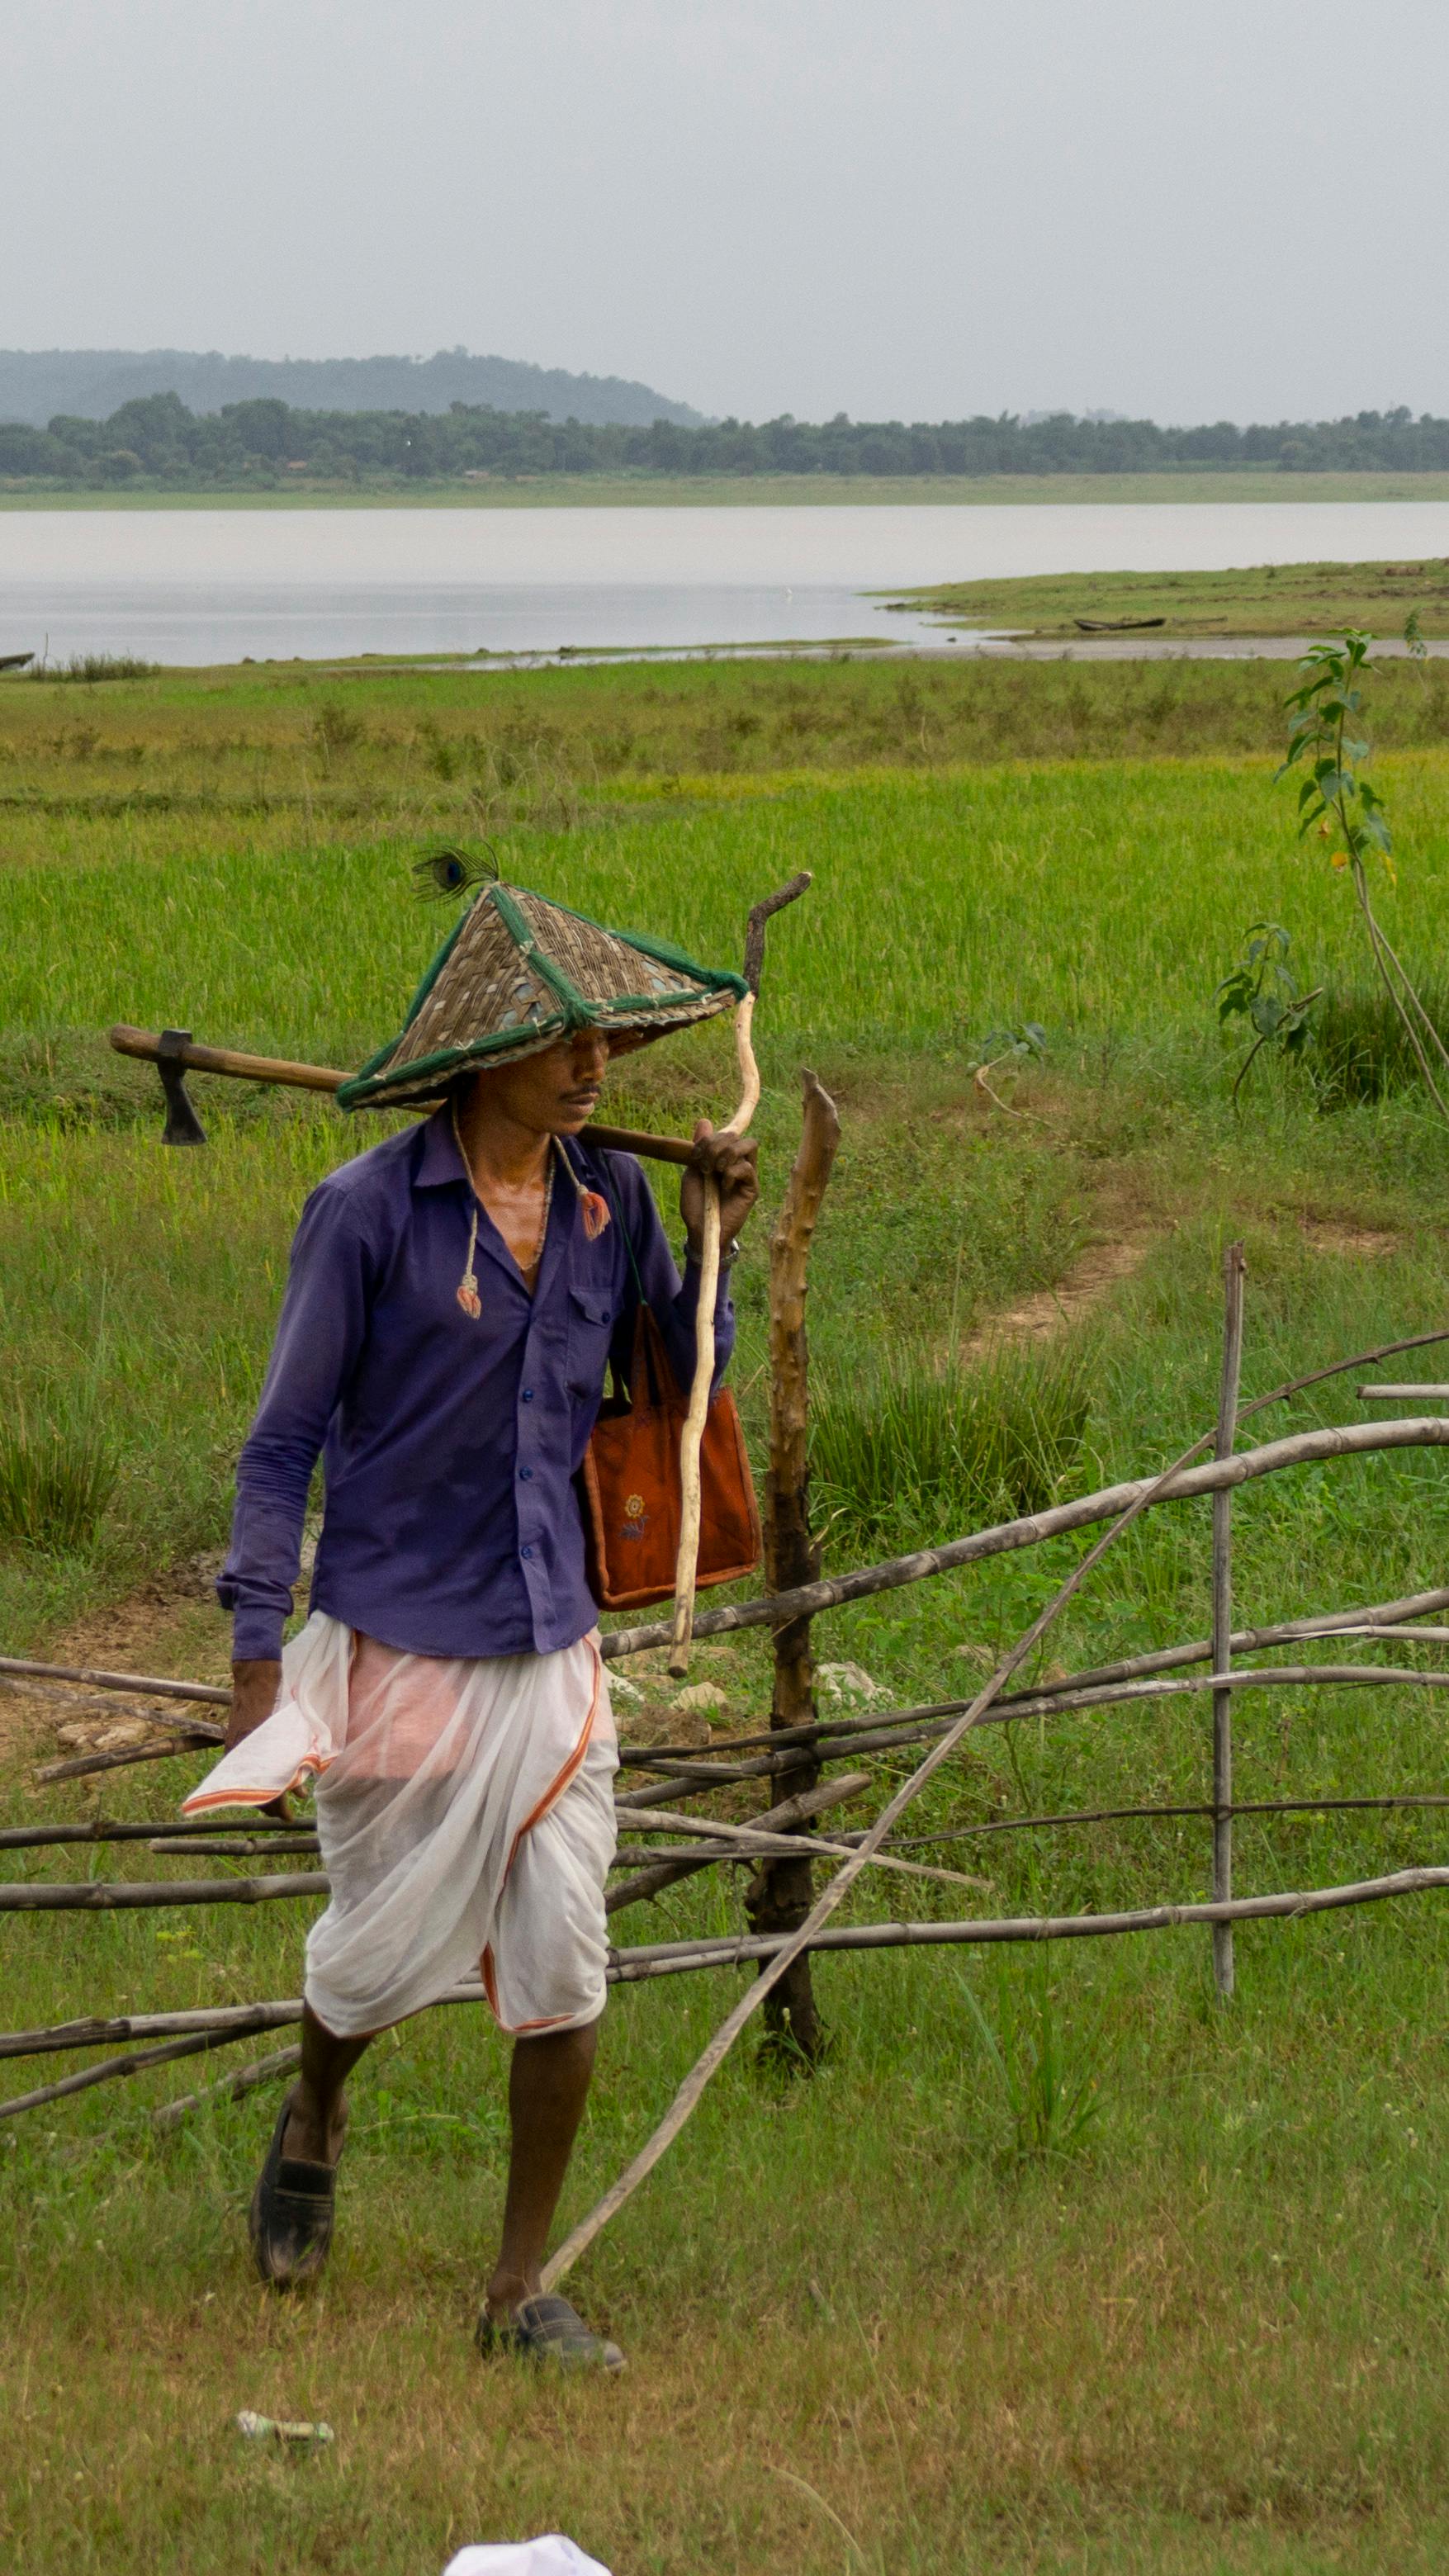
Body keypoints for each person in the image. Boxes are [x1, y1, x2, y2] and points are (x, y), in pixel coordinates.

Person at [188, 876, 758, 2371]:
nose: (595, 1067)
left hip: (552, 1641)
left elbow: (671, 1372)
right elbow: (276, 1449)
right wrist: (259, 1664)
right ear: (485, 1054)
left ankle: (519, 2290)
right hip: (401, 1641)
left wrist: (718, 1238)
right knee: (371, 1956)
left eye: (604, 1045)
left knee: (569, 1952)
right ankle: (316, 2105)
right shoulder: (367, 1213)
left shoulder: (606, 1198)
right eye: (563, 1043)